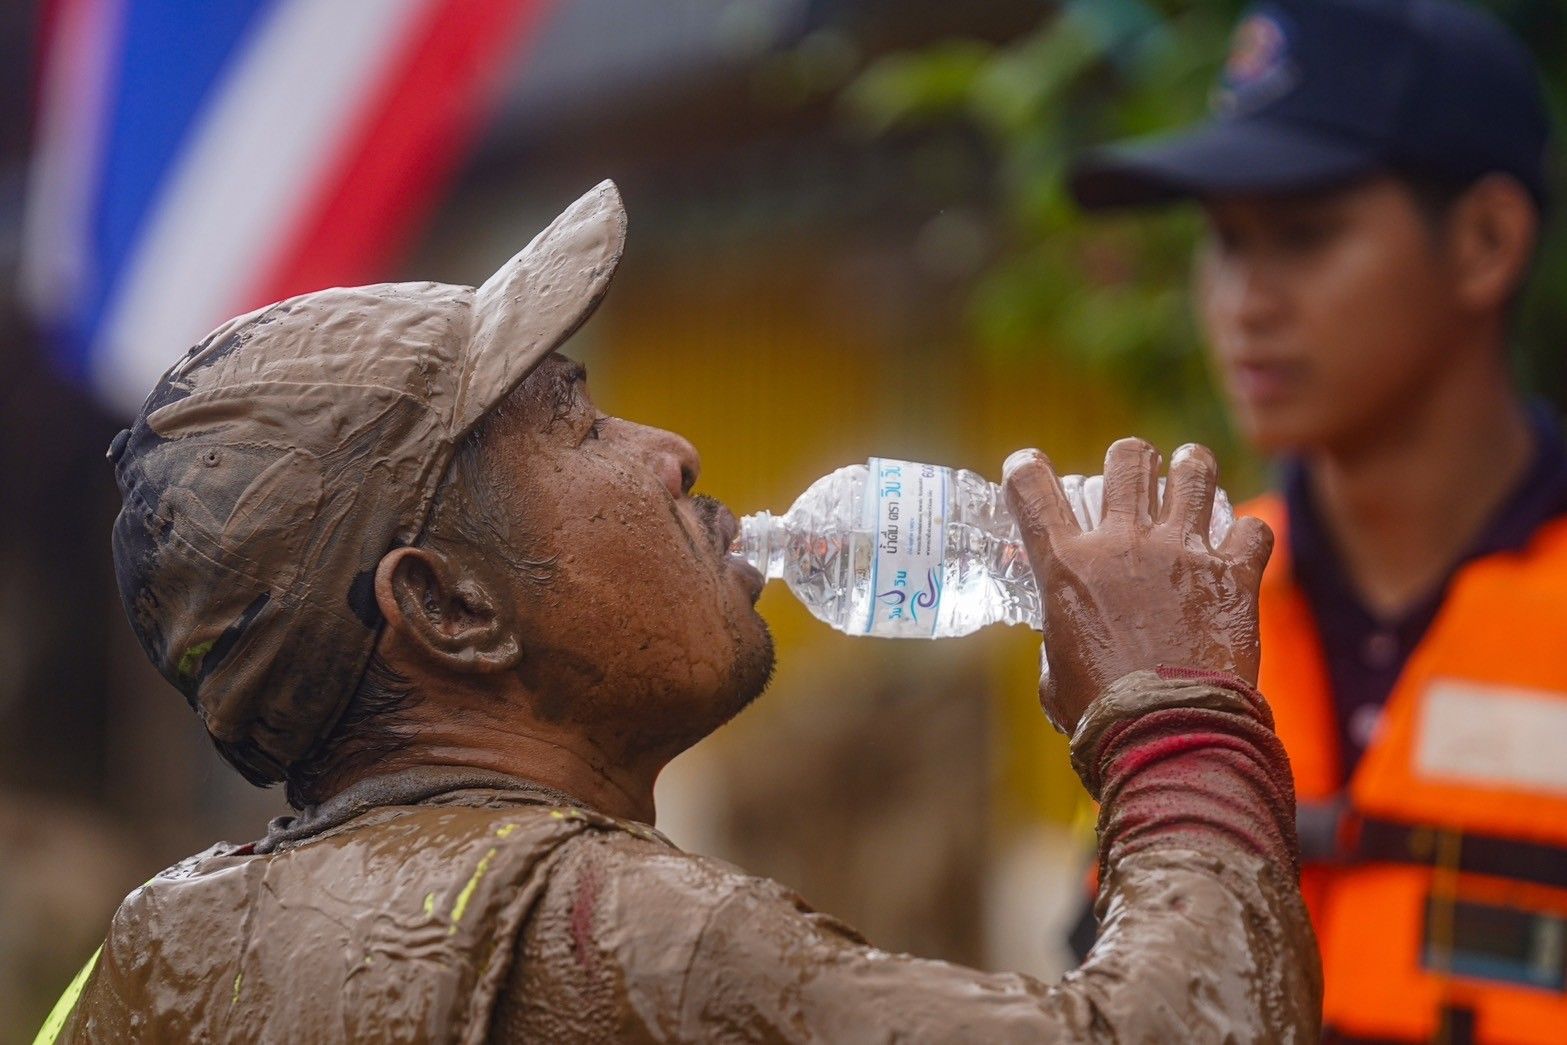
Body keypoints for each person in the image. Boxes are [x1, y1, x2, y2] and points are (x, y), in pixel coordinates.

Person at [40, 181, 1318, 1042]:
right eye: (579, 423)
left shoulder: (154, 943)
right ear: (449, 606)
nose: (675, 451)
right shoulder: (613, 932)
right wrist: (1174, 712)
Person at [1068, 0, 1567, 1041]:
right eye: (1223, 240)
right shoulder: (1184, 596)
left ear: (1484, 242)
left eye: (1303, 233)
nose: (1243, 300)